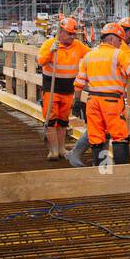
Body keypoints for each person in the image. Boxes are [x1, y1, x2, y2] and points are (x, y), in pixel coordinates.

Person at [74, 22, 130, 168]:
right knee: (120, 136)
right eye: (120, 40)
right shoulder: (118, 54)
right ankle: (123, 173)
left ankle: (102, 171)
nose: (121, 43)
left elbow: (79, 82)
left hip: (92, 101)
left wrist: (76, 101)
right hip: (111, 102)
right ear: (112, 39)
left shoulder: (89, 56)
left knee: (97, 137)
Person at [36, 18, 90, 160]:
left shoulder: (78, 46)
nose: (72, 37)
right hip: (51, 88)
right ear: (60, 32)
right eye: (69, 34)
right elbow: (41, 61)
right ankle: (53, 150)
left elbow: (91, 56)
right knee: (51, 120)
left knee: (63, 121)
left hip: (68, 89)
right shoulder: (50, 44)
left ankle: (61, 149)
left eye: (74, 34)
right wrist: (51, 52)